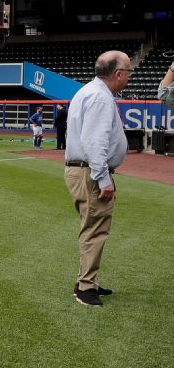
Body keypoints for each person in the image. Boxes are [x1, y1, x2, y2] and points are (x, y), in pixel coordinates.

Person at [64, 51, 131, 306]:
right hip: (90, 172)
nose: (130, 76)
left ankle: (87, 280)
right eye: (128, 72)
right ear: (118, 74)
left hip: (83, 170)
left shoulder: (90, 91)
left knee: (92, 227)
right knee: (95, 229)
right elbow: (94, 142)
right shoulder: (100, 97)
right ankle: (85, 287)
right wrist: (103, 178)